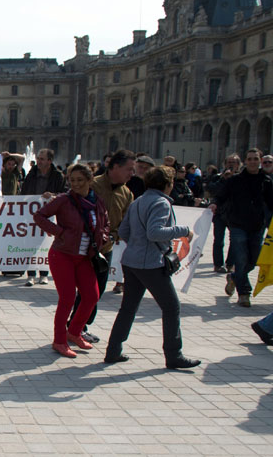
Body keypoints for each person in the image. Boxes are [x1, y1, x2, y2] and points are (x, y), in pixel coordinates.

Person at [104, 165, 200, 369]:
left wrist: (137, 246)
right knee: (171, 307)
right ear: (167, 184)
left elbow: (124, 230)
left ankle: (113, 350)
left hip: (131, 261)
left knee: (128, 308)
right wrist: (184, 230)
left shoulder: (138, 201)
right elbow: (154, 233)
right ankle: (174, 355)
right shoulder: (161, 203)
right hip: (151, 264)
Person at [32, 163, 110, 358]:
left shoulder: (97, 201)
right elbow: (39, 216)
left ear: (89, 180)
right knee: (67, 298)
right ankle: (59, 341)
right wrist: (59, 232)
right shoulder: (64, 200)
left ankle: (74, 332)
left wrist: (104, 236)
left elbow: (105, 223)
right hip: (63, 255)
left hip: (85, 257)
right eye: (72, 180)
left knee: (92, 295)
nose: (75, 184)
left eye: (79, 180)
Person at [66, 149, 134, 343]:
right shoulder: (91, 185)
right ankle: (76, 327)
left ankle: (79, 326)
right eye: (129, 169)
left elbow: (126, 222)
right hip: (84, 248)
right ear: (115, 167)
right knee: (87, 291)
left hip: (105, 250)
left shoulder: (127, 193)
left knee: (97, 291)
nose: (132, 173)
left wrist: (114, 236)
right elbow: (70, 207)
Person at [214, 148, 273, 307]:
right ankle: (244, 293)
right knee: (240, 258)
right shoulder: (235, 181)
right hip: (238, 224)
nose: (253, 162)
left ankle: (234, 277)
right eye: (250, 159)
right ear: (245, 161)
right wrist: (214, 204)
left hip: (257, 226)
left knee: (253, 261)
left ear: (260, 161)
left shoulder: (266, 181)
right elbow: (221, 195)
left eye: (256, 159)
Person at [21, 148, 67, 286]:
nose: (38, 161)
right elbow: (24, 192)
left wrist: (53, 195)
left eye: (42, 159)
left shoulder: (58, 176)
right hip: (32, 214)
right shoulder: (32, 173)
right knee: (30, 244)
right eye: (38, 158)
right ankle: (31, 274)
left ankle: (44, 273)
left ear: (49, 161)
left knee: (46, 245)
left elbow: (64, 194)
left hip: (50, 215)